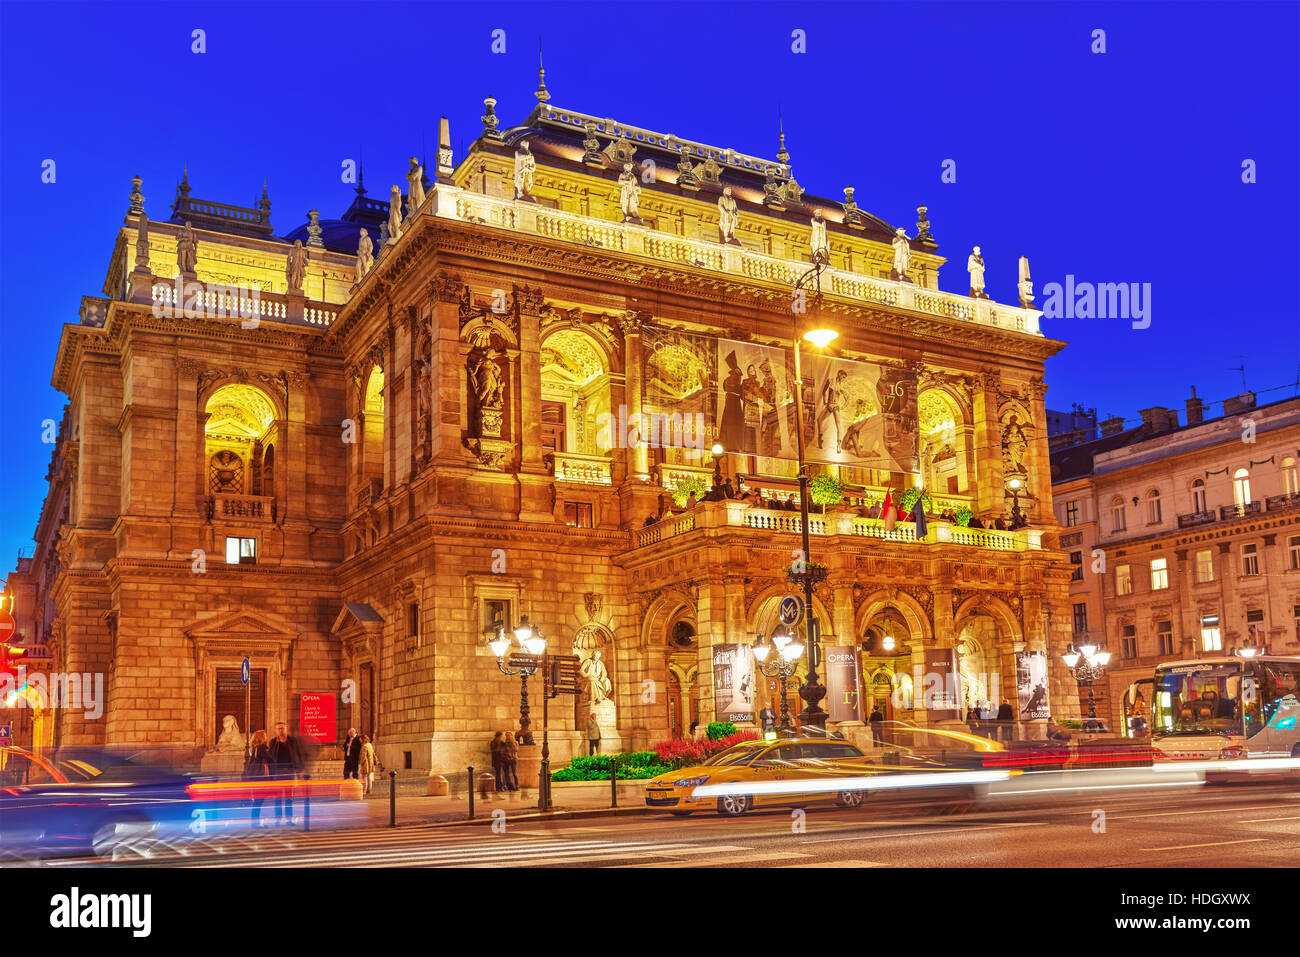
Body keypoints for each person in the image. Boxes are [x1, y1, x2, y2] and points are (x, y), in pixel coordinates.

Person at [267, 722, 302, 825]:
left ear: (286, 729)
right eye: (278, 729)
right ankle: (278, 819)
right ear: (276, 730)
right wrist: (271, 773)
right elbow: (270, 757)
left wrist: (298, 770)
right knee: (278, 798)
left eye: (282, 728)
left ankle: (289, 819)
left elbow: (298, 755)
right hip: (278, 772)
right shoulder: (273, 742)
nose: (281, 730)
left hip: (290, 771)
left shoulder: (292, 741)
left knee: (289, 797)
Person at [243, 730, 272, 828]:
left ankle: (255, 822)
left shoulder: (254, 748)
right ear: (262, 737)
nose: (266, 737)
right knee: (258, 801)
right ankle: (255, 823)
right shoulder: (261, 748)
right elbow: (270, 758)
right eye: (265, 736)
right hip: (260, 777)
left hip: (256, 777)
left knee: (257, 800)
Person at [491, 731, 507, 795]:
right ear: (500, 736)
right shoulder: (501, 743)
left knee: (498, 774)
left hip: (495, 761)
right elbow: (503, 752)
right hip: (500, 761)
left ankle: (498, 787)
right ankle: (501, 787)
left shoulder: (492, 742)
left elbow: (493, 752)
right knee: (501, 774)